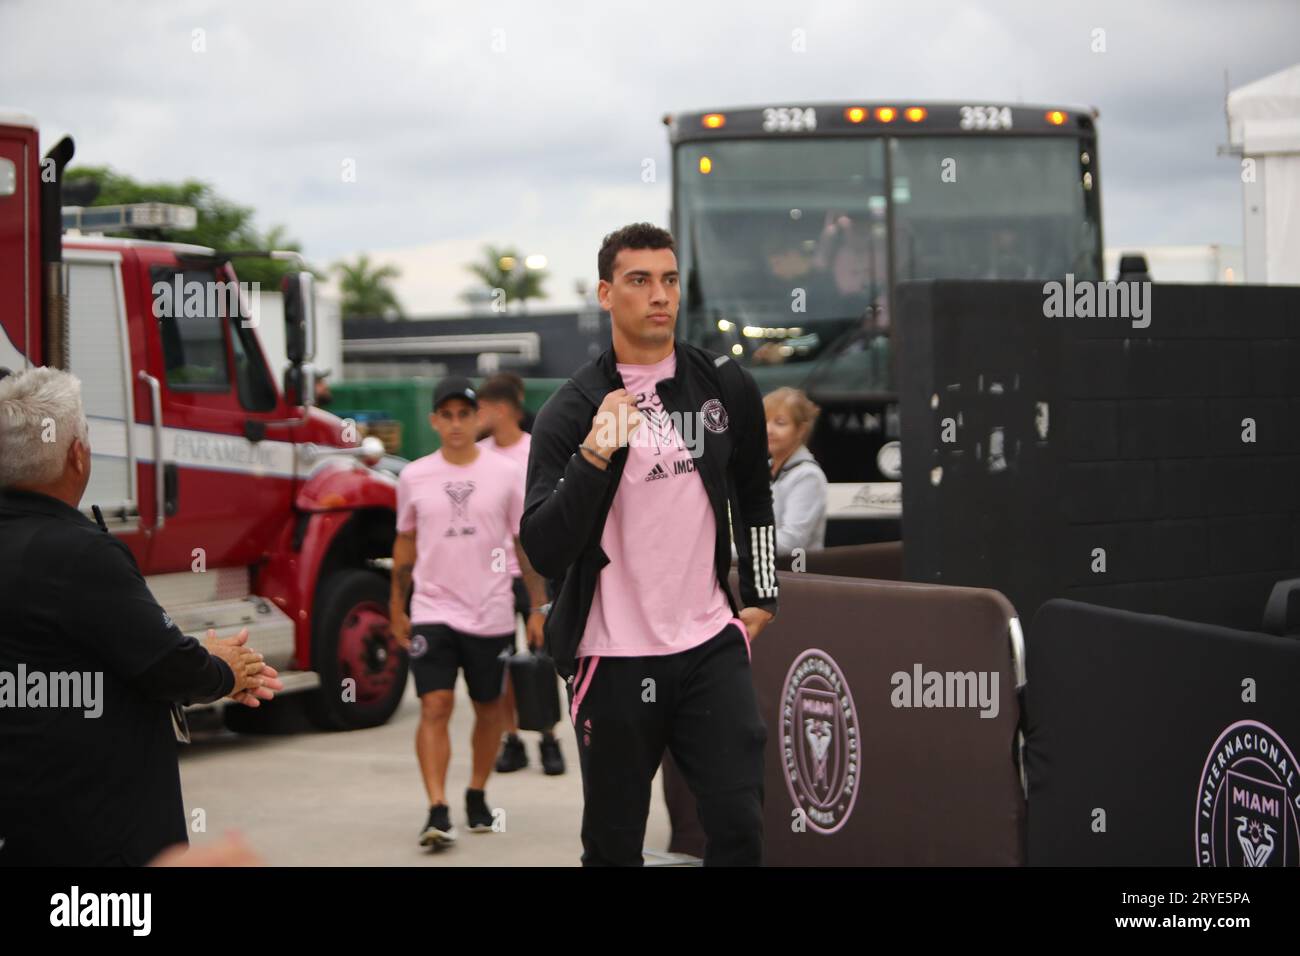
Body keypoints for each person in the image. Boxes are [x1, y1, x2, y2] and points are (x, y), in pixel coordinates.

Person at [519, 222, 779, 866]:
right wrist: (593, 454)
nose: (659, 295)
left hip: (708, 643)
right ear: (606, 294)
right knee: (613, 847)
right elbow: (544, 548)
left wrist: (765, 593)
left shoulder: (722, 382)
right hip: (612, 656)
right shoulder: (571, 408)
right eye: (639, 281)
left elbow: (754, 494)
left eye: (669, 280)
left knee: (739, 824)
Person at [0, 367, 283, 866]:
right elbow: (165, 664)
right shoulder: (80, 554)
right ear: (77, 454)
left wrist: (202, 660)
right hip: (93, 837)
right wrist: (225, 671)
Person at [391, 376, 549, 849]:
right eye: (448, 415)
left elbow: (524, 543)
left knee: (489, 709)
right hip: (432, 608)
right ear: (434, 420)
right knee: (435, 705)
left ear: (477, 416)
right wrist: (396, 606)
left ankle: (477, 792)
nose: (457, 423)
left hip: (492, 610)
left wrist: (538, 606)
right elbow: (404, 542)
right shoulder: (413, 476)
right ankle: (437, 808)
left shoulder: (505, 473)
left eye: (466, 413)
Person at [475, 373, 564, 776]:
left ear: (501, 409)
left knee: (543, 661)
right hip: (490, 578)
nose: (472, 417)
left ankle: (548, 739)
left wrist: (539, 599)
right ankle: (512, 741)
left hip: (534, 572)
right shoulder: (477, 456)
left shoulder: (535, 450)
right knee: (502, 664)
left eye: (477, 408)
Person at [763, 387, 828, 556]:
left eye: (780, 423)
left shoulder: (808, 475)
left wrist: (733, 549)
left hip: (796, 575)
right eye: (764, 421)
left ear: (801, 430)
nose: (768, 430)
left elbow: (791, 541)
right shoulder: (762, 469)